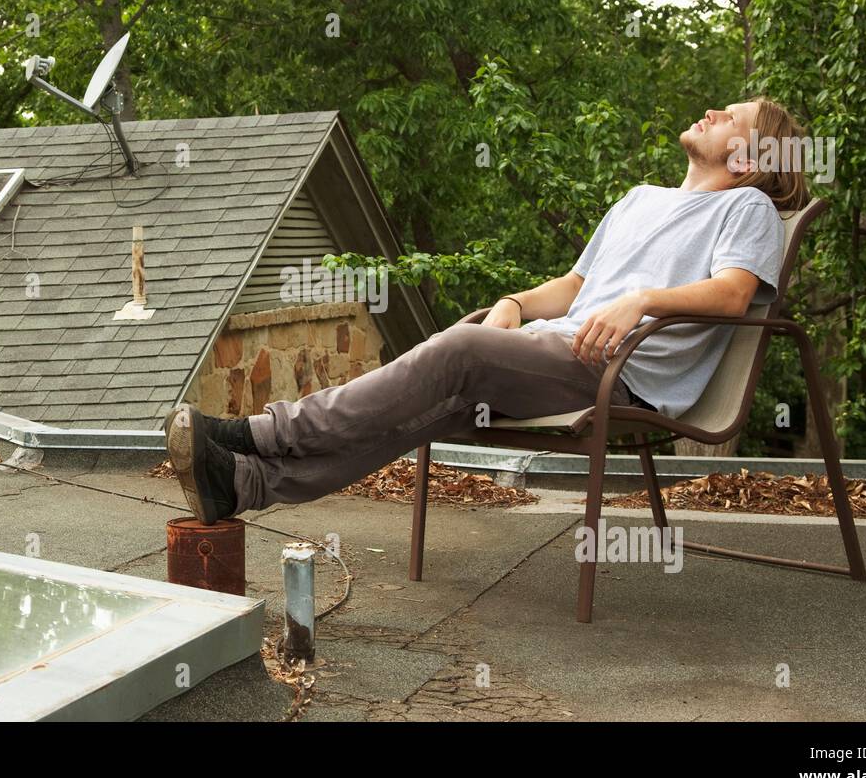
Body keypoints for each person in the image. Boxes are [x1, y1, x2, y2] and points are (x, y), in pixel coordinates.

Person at [165, 96, 809, 524]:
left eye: (731, 116)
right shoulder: (640, 198)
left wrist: (641, 300)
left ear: (749, 158)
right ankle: (243, 485)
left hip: (617, 368)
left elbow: (730, 293)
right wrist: (513, 303)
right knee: (437, 404)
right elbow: (573, 284)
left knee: (460, 349)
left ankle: (261, 434)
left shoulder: (744, 209)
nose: (711, 110)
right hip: (560, 347)